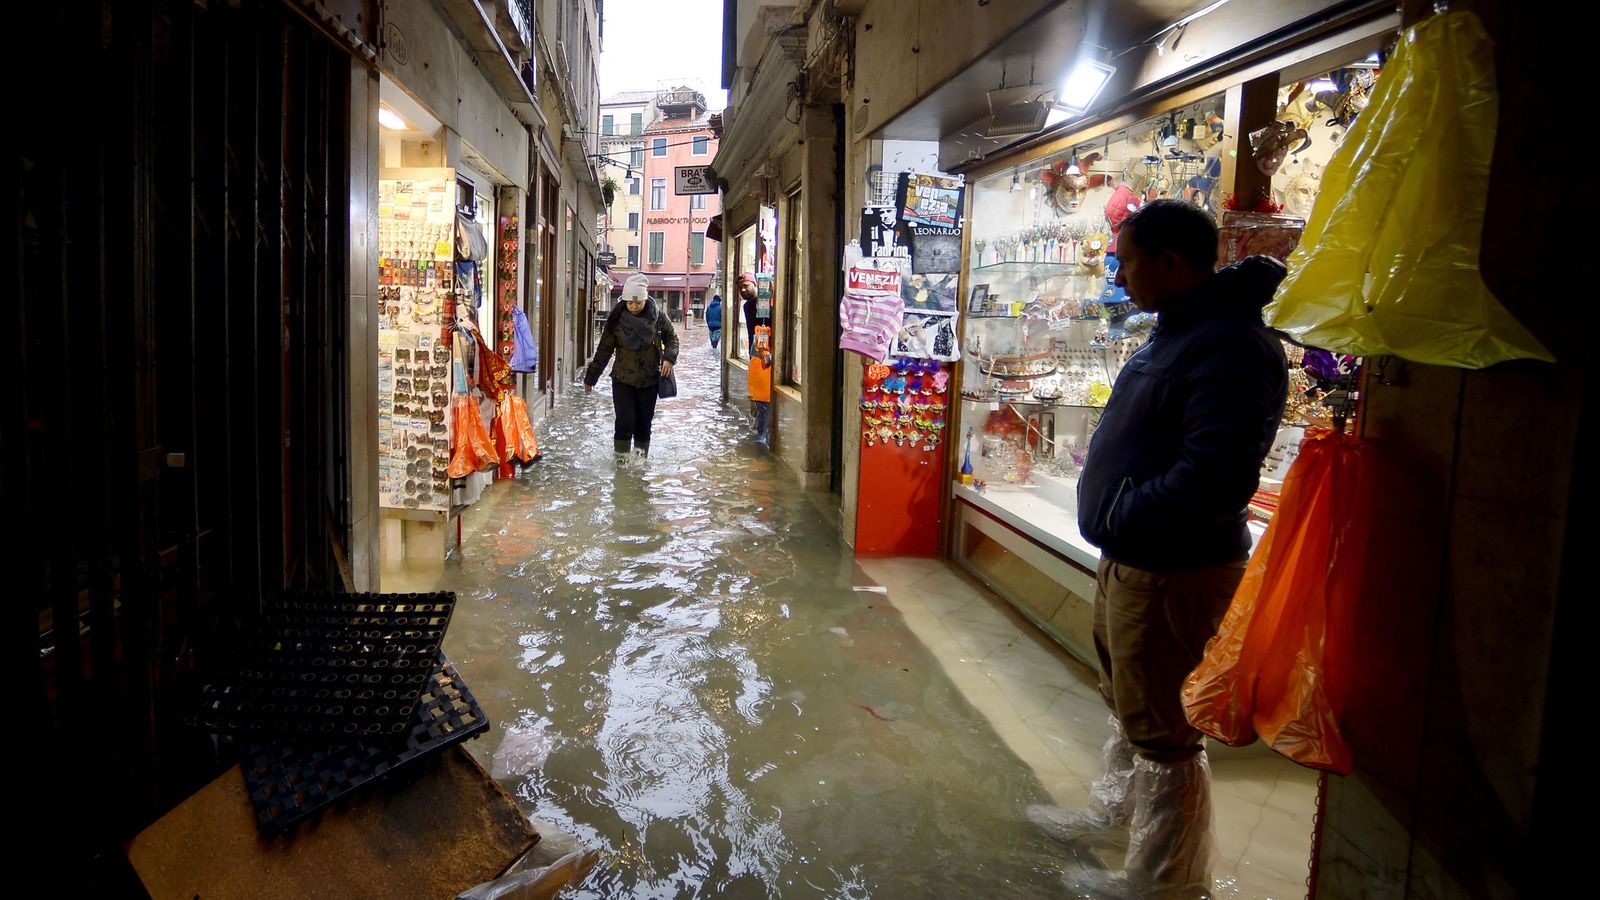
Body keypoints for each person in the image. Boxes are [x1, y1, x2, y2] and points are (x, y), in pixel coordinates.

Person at [1031, 200, 1288, 897]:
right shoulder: (1181, 331)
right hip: (1134, 557)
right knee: (1130, 704)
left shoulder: (1230, 345)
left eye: (1128, 259)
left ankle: (1162, 882)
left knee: (1167, 736)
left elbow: (1218, 472)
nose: (1119, 273)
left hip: (1175, 568)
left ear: (1171, 263)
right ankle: (1113, 817)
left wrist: (1128, 514)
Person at [584, 273, 679, 460]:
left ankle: (641, 464)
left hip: (649, 380)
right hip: (622, 380)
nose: (634, 307)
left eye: (638, 303)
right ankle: (621, 464)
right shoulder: (616, 320)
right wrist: (591, 377)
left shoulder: (658, 317)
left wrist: (669, 358)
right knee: (625, 423)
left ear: (645, 299)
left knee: (644, 425)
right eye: (629, 303)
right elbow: (604, 350)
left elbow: (673, 339)